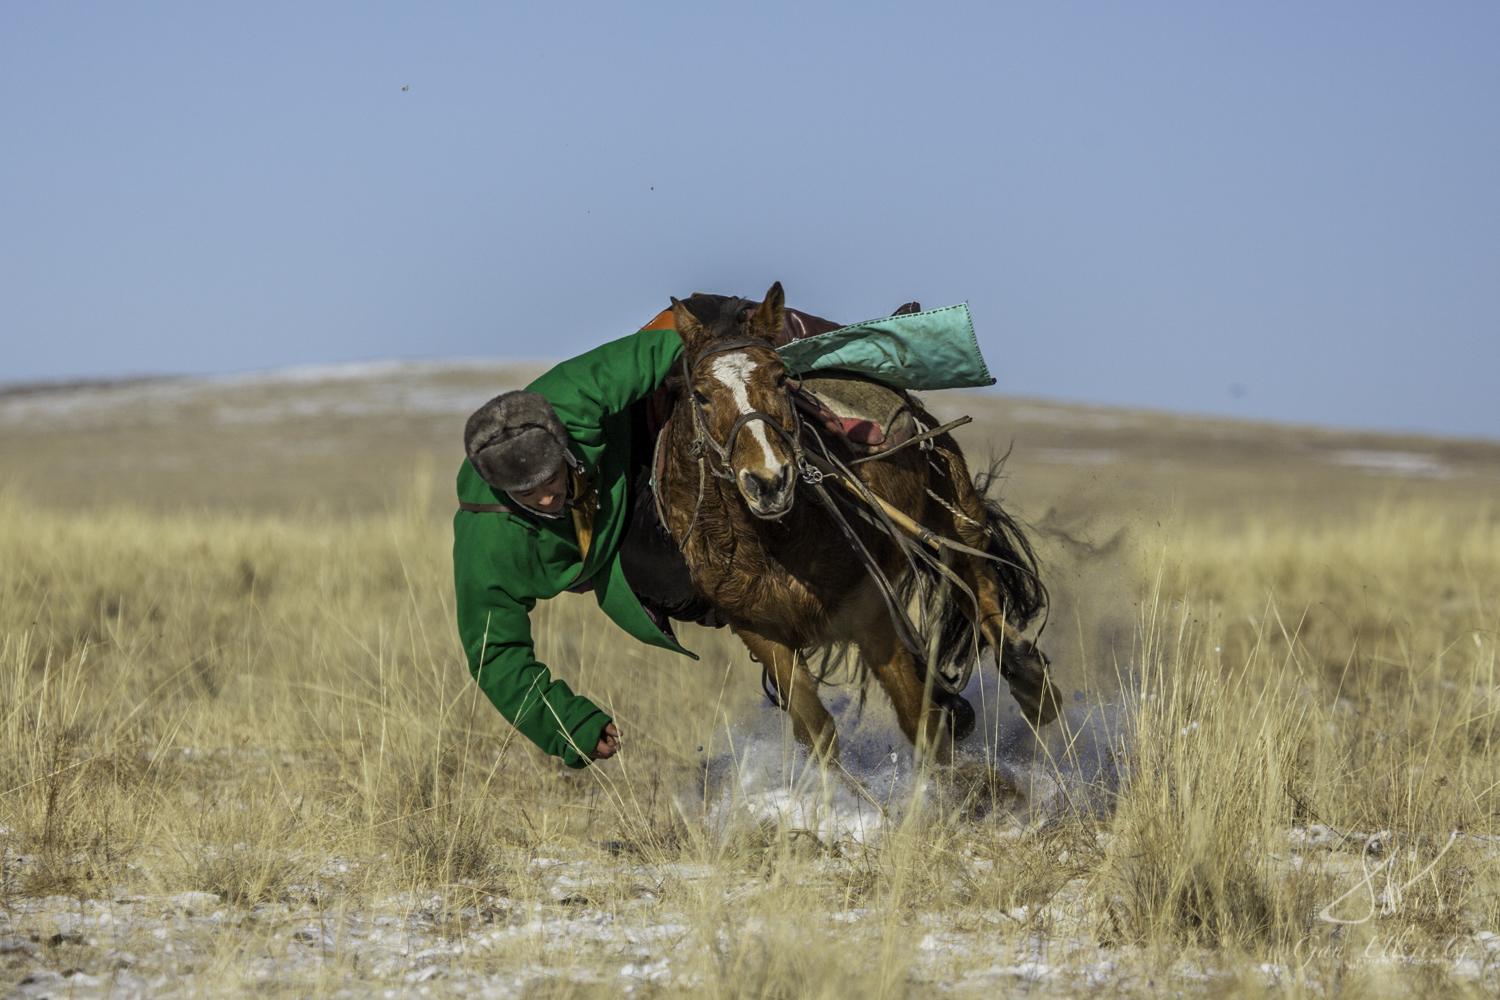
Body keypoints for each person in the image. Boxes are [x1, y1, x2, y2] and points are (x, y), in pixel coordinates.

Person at [452, 296, 846, 768]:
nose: (543, 498)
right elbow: (493, 651)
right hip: (608, 545)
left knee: (715, 329)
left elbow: (659, 352)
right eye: (526, 493)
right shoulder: (488, 537)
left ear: (561, 442)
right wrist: (568, 724)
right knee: (676, 578)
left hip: (625, 460)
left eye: (549, 479)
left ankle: (851, 351)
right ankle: (768, 626)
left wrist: (740, 352)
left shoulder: (570, 398)